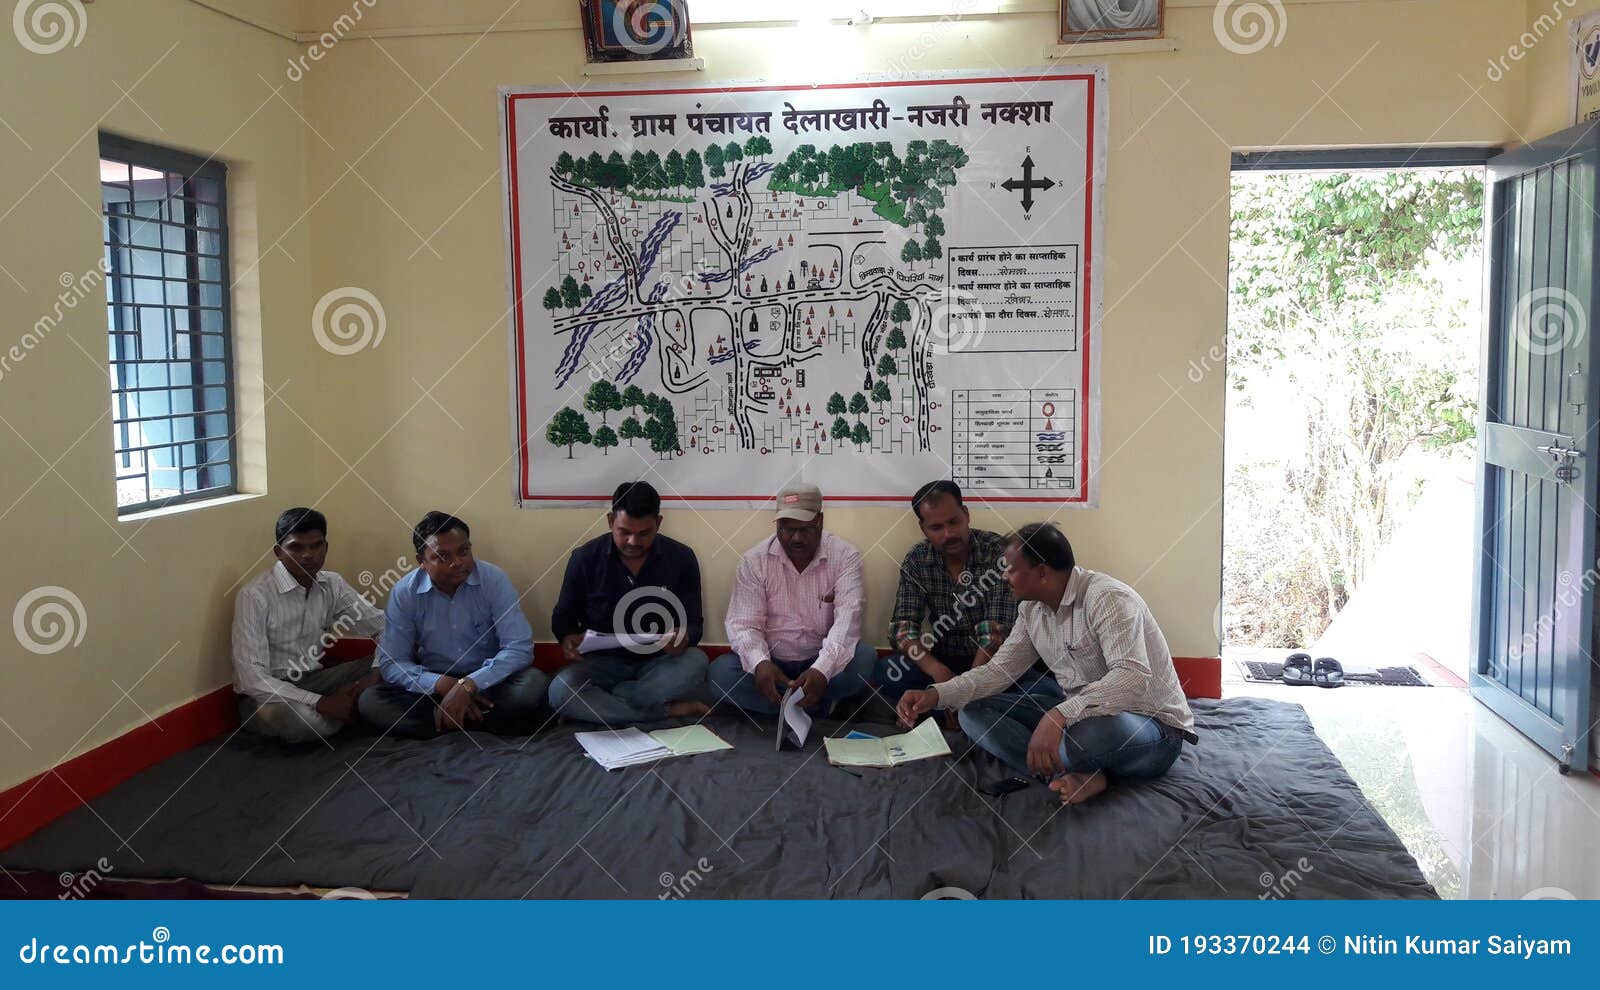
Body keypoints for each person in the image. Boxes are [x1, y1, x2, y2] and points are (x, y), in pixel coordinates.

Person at [896, 522, 1196, 805]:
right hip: (1075, 719)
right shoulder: (1031, 611)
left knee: (1093, 733)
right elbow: (996, 673)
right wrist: (936, 695)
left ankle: (1075, 765)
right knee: (973, 713)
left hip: (1149, 727)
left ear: (1041, 573)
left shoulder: (1108, 598)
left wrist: (1057, 716)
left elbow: (1131, 678)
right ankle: (1073, 774)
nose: (1003, 577)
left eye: (1010, 570)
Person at [359, 511, 549, 738]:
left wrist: (469, 685)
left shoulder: (493, 580)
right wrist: (443, 685)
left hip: (489, 681)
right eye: (443, 556)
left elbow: (519, 648)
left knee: (532, 685)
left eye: (464, 552)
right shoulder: (405, 592)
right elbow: (393, 663)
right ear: (421, 562)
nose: (457, 562)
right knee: (371, 701)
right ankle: (476, 721)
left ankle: (447, 722)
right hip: (434, 686)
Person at [875, 480, 1062, 708]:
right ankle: (958, 711)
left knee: (1044, 692)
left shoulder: (998, 552)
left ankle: (946, 711)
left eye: (954, 522)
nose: (949, 534)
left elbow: (995, 633)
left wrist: (960, 692)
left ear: (966, 514)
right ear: (923, 528)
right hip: (945, 660)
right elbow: (902, 630)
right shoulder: (917, 559)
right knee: (887, 672)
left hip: (994, 663)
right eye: (936, 527)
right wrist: (938, 672)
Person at [549, 481, 710, 725]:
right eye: (624, 532)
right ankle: (662, 710)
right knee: (560, 690)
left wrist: (684, 636)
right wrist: (567, 637)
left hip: (659, 664)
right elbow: (563, 618)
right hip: (603, 664)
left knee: (697, 661)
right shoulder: (585, 558)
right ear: (610, 521)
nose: (633, 542)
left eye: (644, 533)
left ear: (658, 523)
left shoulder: (681, 558)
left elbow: (694, 623)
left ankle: (615, 701)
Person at [710, 483, 875, 715]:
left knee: (864, 660)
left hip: (820, 658)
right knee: (720, 674)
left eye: (805, 529)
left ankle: (786, 706)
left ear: (820, 521)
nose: (796, 538)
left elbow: (848, 621)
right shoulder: (754, 560)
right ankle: (816, 707)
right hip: (773, 663)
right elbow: (744, 624)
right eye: (787, 529)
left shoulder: (845, 556)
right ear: (777, 524)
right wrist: (760, 663)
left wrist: (822, 670)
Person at [232, 507, 384, 743]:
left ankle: (347, 709)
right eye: (296, 547)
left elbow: (385, 628)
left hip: (317, 680)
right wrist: (320, 702)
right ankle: (354, 711)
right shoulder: (255, 596)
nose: (308, 555)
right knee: (303, 722)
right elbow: (252, 680)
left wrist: (374, 675)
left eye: (316, 546)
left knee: (396, 667)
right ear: (278, 551)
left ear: (326, 547)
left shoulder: (332, 584)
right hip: (268, 697)